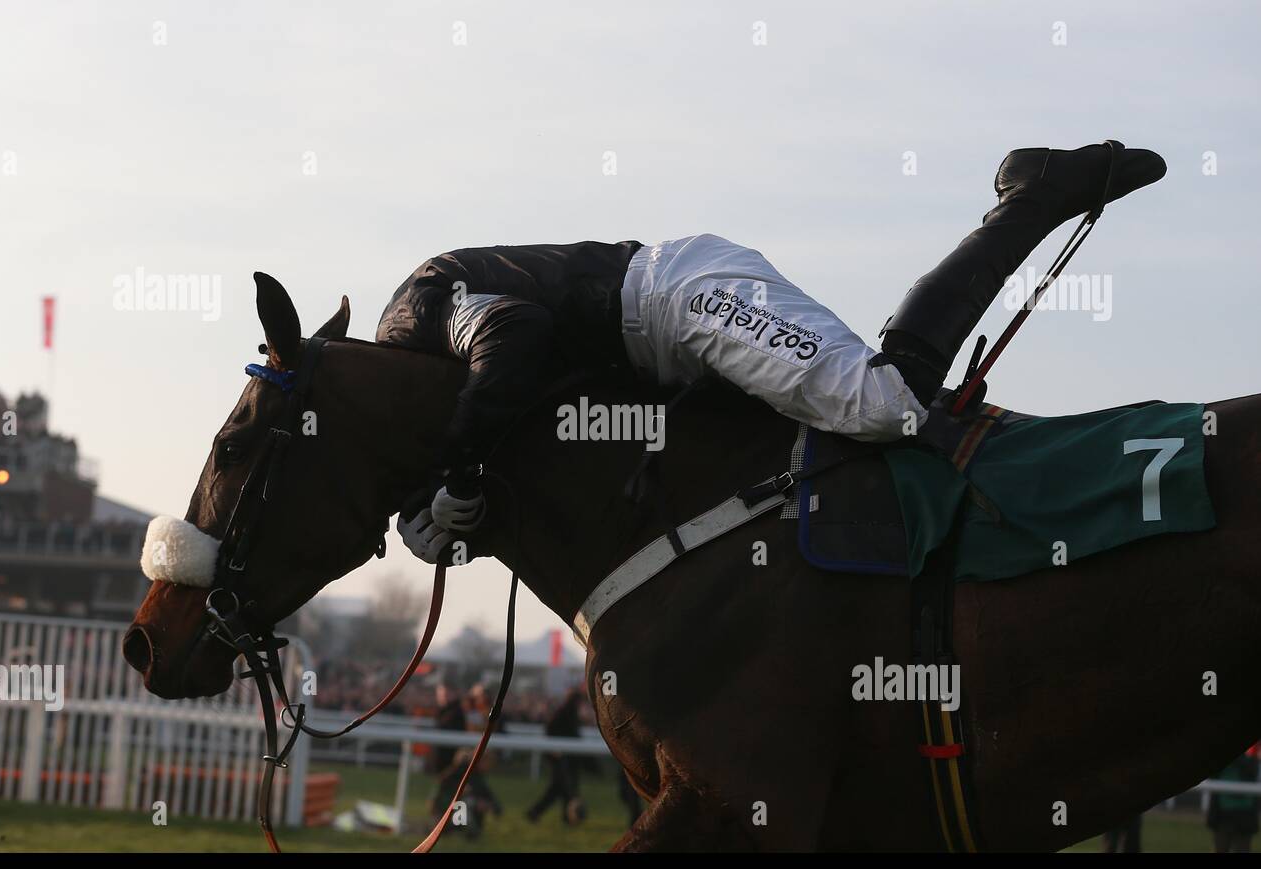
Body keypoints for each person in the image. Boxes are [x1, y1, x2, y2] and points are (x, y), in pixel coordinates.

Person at [390, 143, 1166, 561]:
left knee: (883, 403)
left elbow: (512, 337)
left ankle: (1034, 192)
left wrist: (457, 472)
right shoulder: (426, 369)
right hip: (668, 345)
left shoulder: (417, 309)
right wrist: (466, 513)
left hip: (677, 298)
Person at [526, 687, 588, 825]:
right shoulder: (563, 713)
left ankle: (541, 813)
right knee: (562, 788)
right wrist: (555, 750)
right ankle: (538, 812)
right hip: (560, 758)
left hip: (567, 757)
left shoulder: (569, 712)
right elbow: (549, 731)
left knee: (560, 789)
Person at [1207, 747, 1260, 853]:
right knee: (1221, 846)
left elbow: (1251, 770)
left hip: (1244, 814)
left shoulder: (1250, 758)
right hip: (1223, 814)